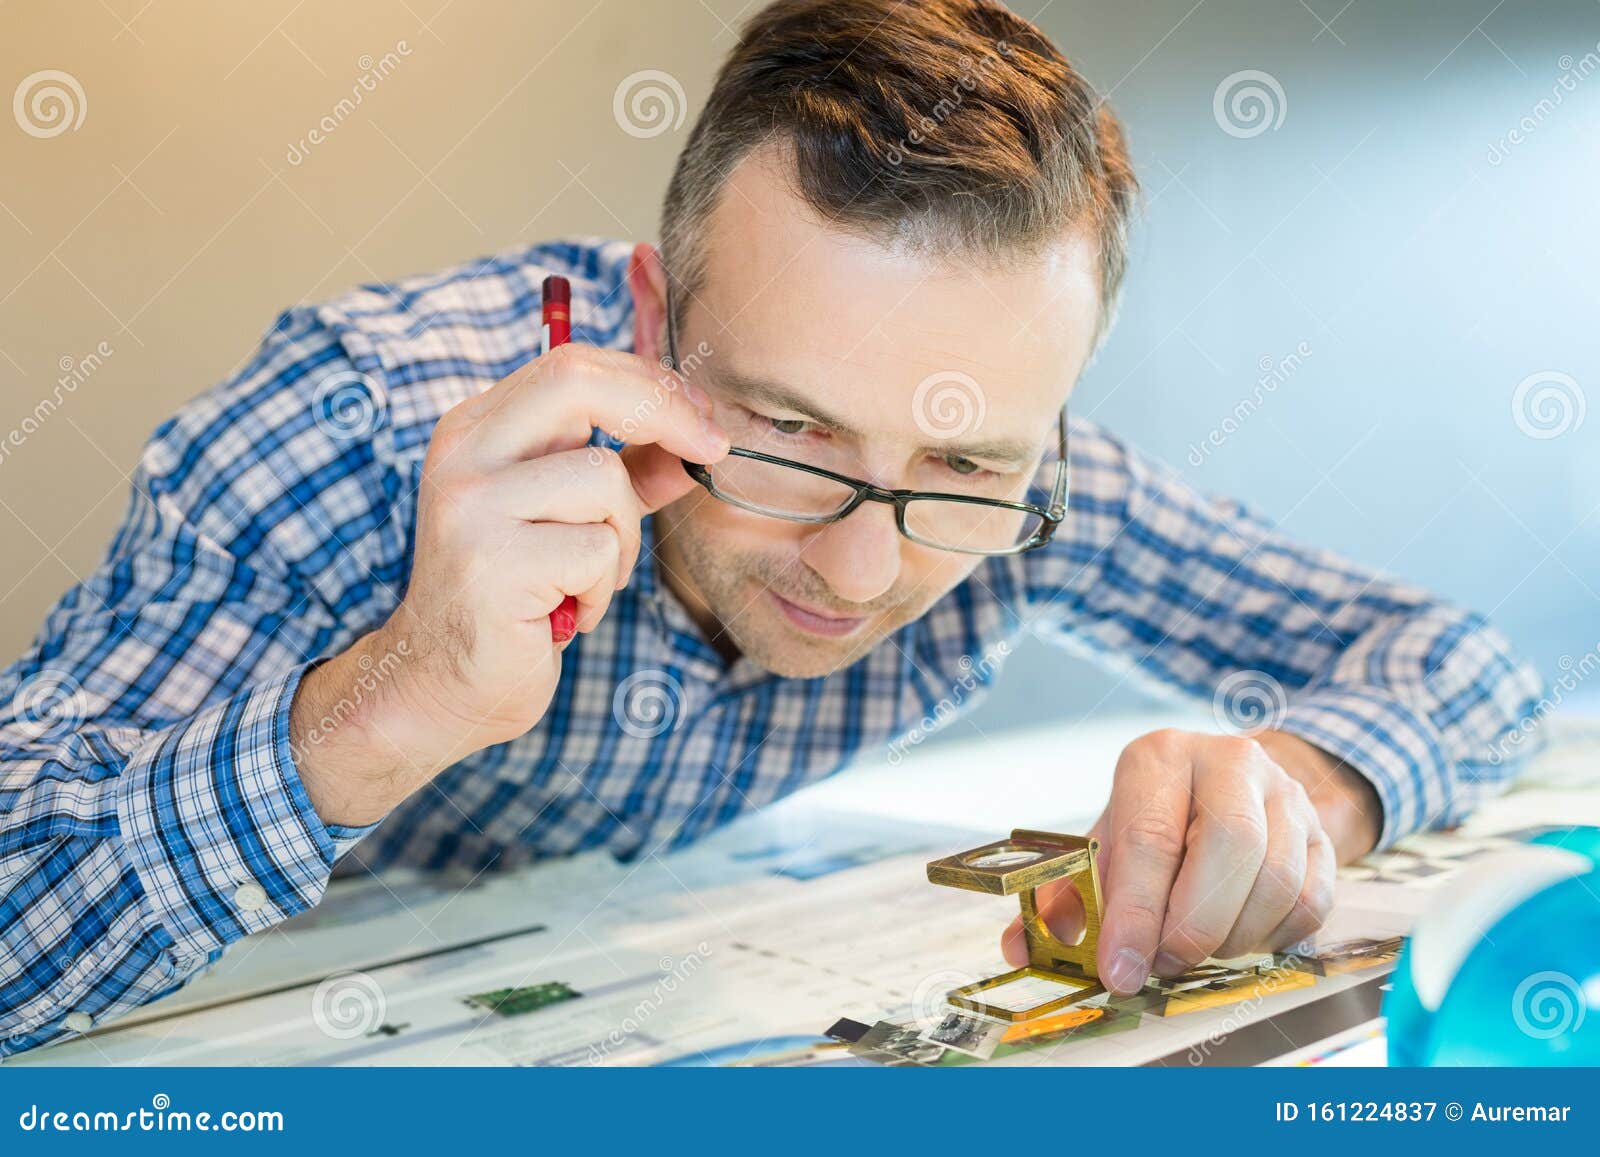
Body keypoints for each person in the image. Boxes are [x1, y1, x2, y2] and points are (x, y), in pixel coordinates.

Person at [0, 0, 1541, 1057]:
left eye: (961, 458)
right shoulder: (351, 432)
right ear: (655, 318)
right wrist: (381, 706)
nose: (863, 571)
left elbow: (1457, 660)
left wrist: (1307, 785)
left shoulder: (1011, 484)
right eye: (790, 432)